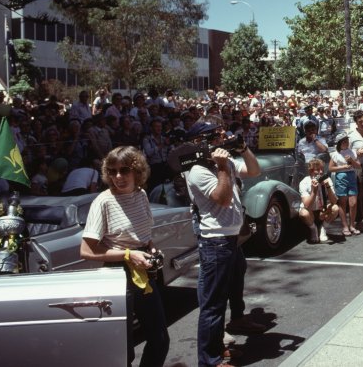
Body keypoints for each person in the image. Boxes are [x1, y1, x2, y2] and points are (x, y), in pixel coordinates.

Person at [80, 146, 170, 367]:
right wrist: (129, 254)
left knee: (160, 339)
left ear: (137, 171)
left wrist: (151, 249)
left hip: (144, 271)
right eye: (112, 171)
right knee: (123, 347)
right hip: (118, 274)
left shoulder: (141, 195)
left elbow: (143, 236)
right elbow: (87, 250)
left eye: (124, 170)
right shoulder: (103, 201)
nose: (118, 176)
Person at [184, 119, 260, 367]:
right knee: (213, 304)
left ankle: (218, 349)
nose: (220, 138)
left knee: (226, 290)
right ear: (199, 142)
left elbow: (254, 171)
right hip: (215, 240)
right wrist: (223, 168)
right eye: (212, 136)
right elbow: (223, 199)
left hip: (229, 236)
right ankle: (209, 360)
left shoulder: (222, 163)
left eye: (219, 134)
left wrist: (243, 149)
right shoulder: (198, 170)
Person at [298, 158, 339, 243]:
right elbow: (307, 205)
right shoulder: (304, 182)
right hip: (311, 211)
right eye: (317, 170)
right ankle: (313, 230)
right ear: (310, 171)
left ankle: (323, 229)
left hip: (322, 210)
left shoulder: (327, 179)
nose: (321, 172)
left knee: (335, 208)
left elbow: (334, 201)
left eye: (322, 169)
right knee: (303, 213)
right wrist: (314, 191)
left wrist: (327, 186)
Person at [328, 131, 360, 236]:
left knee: (353, 203)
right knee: (342, 203)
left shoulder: (352, 152)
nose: (346, 143)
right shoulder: (335, 155)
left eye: (347, 141)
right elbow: (331, 168)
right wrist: (343, 167)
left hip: (351, 177)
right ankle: (345, 226)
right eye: (344, 141)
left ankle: (352, 225)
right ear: (339, 143)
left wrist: (352, 161)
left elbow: (358, 166)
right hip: (341, 177)